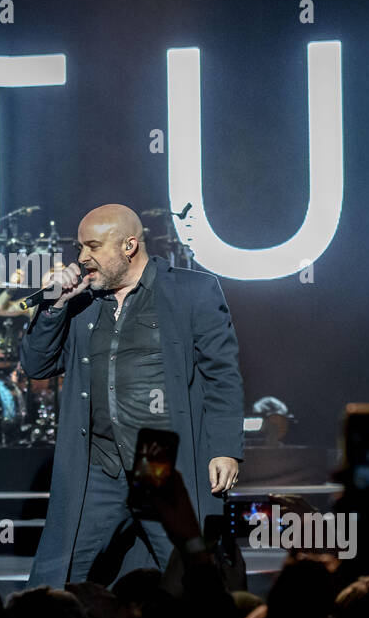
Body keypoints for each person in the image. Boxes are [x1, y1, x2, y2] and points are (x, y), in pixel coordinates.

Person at [20, 204, 245, 587]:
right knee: (63, 577)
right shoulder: (80, 304)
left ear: (129, 245)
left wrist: (224, 448)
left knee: (191, 578)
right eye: (79, 248)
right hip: (99, 464)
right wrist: (55, 304)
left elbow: (221, 375)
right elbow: (37, 366)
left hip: (159, 465)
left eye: (92, 246)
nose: (82, 258)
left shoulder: (191, 292)